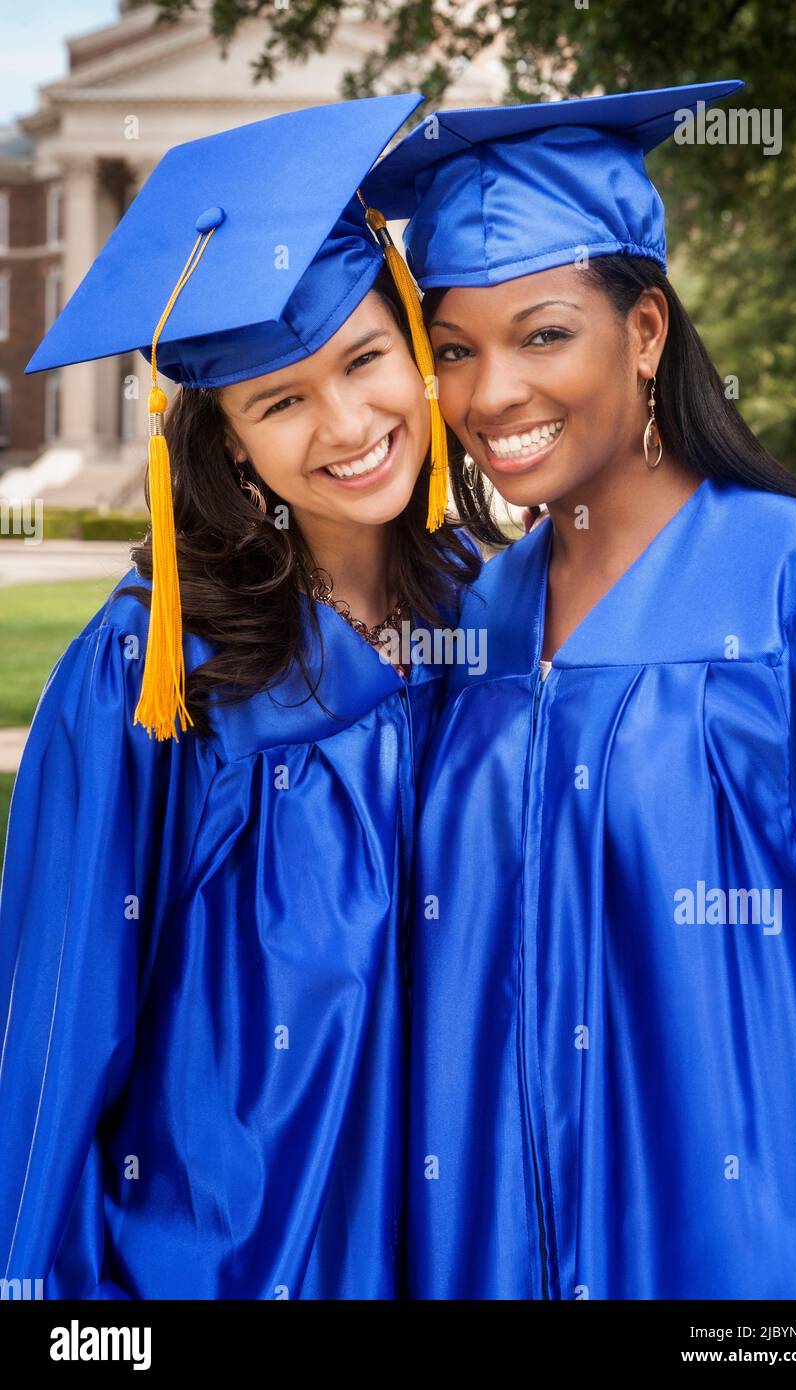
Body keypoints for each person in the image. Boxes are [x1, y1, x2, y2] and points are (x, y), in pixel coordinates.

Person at [365, 82, 796, 1299]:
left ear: (643, 332)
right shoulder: (463, 621)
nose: (490, 398)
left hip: (729, 1272)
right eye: (455, 351)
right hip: (479, 1255)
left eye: (544, 334)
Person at [0, 94, 479, 1300]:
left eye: (365, 359)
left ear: (415, 348)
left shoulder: (493, 616)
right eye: (279, 400)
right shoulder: (153, 673)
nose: (347, 423)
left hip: (460, 1240)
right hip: (226, 1259)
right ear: (225, 444)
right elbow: (61, 1015)